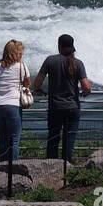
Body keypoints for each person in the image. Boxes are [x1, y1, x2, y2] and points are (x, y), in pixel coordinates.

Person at [33, 34, 91, 163]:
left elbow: (37, 82)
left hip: (55, 107)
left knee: (53, 137)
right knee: (69, 138)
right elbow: (87, 87)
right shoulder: (78, 63)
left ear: (59, 46)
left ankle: (50, 166)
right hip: (72, 107)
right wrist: (84, 93)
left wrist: (38, 90)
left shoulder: (50, 60)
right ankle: (67, 166)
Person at [0, 40, 28, 162]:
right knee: (14, 140)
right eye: (20, 52)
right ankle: (13, 170)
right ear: (15, 53)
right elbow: (28, 84)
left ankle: (1, 167)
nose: (22, 54)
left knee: (2, 139)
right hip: (13, 106)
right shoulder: (21, 66)